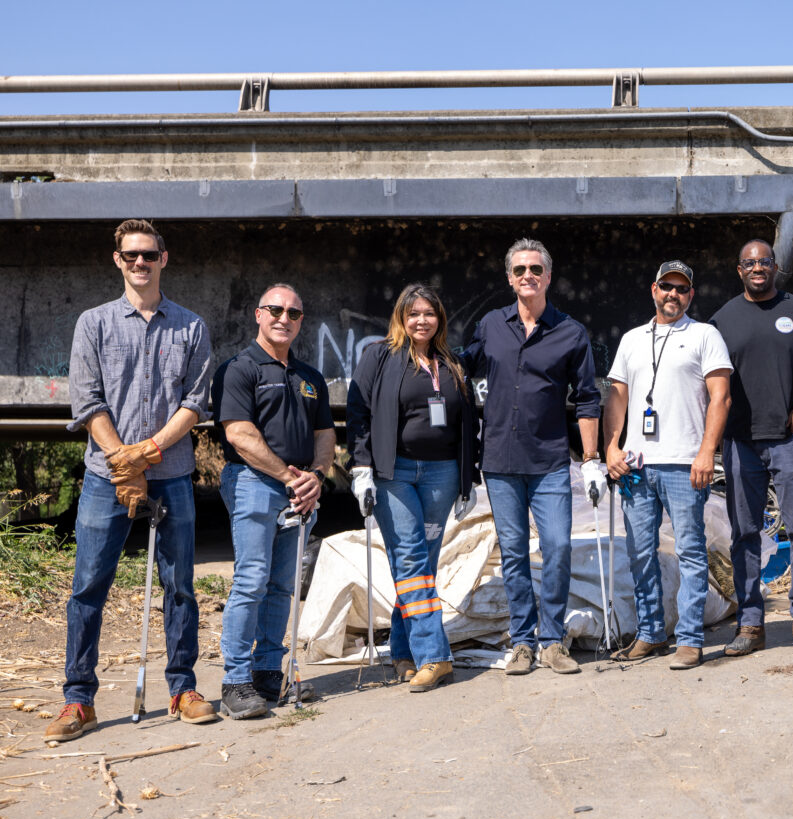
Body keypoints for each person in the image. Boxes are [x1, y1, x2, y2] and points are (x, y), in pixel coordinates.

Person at [47, 219, 215, 744]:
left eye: (148, 254)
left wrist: (152, 451)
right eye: (130, 256)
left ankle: (182, 689)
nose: (139, 263)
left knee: (180, 586)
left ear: (165, 258)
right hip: (105, 478)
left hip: (173, 474)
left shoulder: (191, 327)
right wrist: (124, 460)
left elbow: (195, 403)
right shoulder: (92, 324)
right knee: (88, 588)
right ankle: (79, 700)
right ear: (116, 260)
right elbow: (88, 402)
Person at [462, 239, 605, 676]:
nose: (528, 275)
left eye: (536, 269)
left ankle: (551, 640)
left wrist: (593, 458)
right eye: (520, 269)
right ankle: (523, 642)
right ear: (509, 278)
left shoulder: (570, 332)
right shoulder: (491, 325)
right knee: (514, 554)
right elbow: (461, 369)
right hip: (501, 463)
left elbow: (586, 398)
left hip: (548, 463)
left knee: (558, 546)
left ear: (547, 277)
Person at [347, 284, 481, 693]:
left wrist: (467, 477)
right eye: (414, 314)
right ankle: (435, 657)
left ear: (440, 318)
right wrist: (361, 467)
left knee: (423, 564)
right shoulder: (381, 356)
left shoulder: (451, 362)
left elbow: (467, 421)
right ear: (401, 318)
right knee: (409, 559)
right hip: (395, 472)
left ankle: (403, 653)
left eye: (430, 313)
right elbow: (359, 411)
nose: (422, 320)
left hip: (441, 475)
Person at [212, 284, 336, 719]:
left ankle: (267, 671)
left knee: (283, 585)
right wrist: (289, 477)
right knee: (252, 581)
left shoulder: (310, 378)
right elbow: (239, 435)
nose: (284, 317)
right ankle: (236, 681)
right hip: (254, 482)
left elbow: (325, 437)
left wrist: (316, 477)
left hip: (300, 487)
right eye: (276, 310)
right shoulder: (238, 369)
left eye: (294, 313)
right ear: (258, 315)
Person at [604, 260, 732, 670]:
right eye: (666, 286)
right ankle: (650, 633)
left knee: (691, 552)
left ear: (690, 295)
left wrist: (707, 451)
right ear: (653, 290)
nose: (673, 294)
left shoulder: (704, 335)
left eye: (681, 288)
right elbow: (618, 397)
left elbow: (720, 397)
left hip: (684, 464)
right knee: (640, 552)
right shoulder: (631, 339)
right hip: (637, 466)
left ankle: (690, 639)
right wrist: (611, 447)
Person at [709, 239, 793, 658]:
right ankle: (750, 623)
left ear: (775, 268)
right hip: (740, 442)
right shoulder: (720, 321)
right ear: (739, 270)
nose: (758, 268)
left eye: (765, 262)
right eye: (750, 262)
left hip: (790, 442)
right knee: (744, 535)